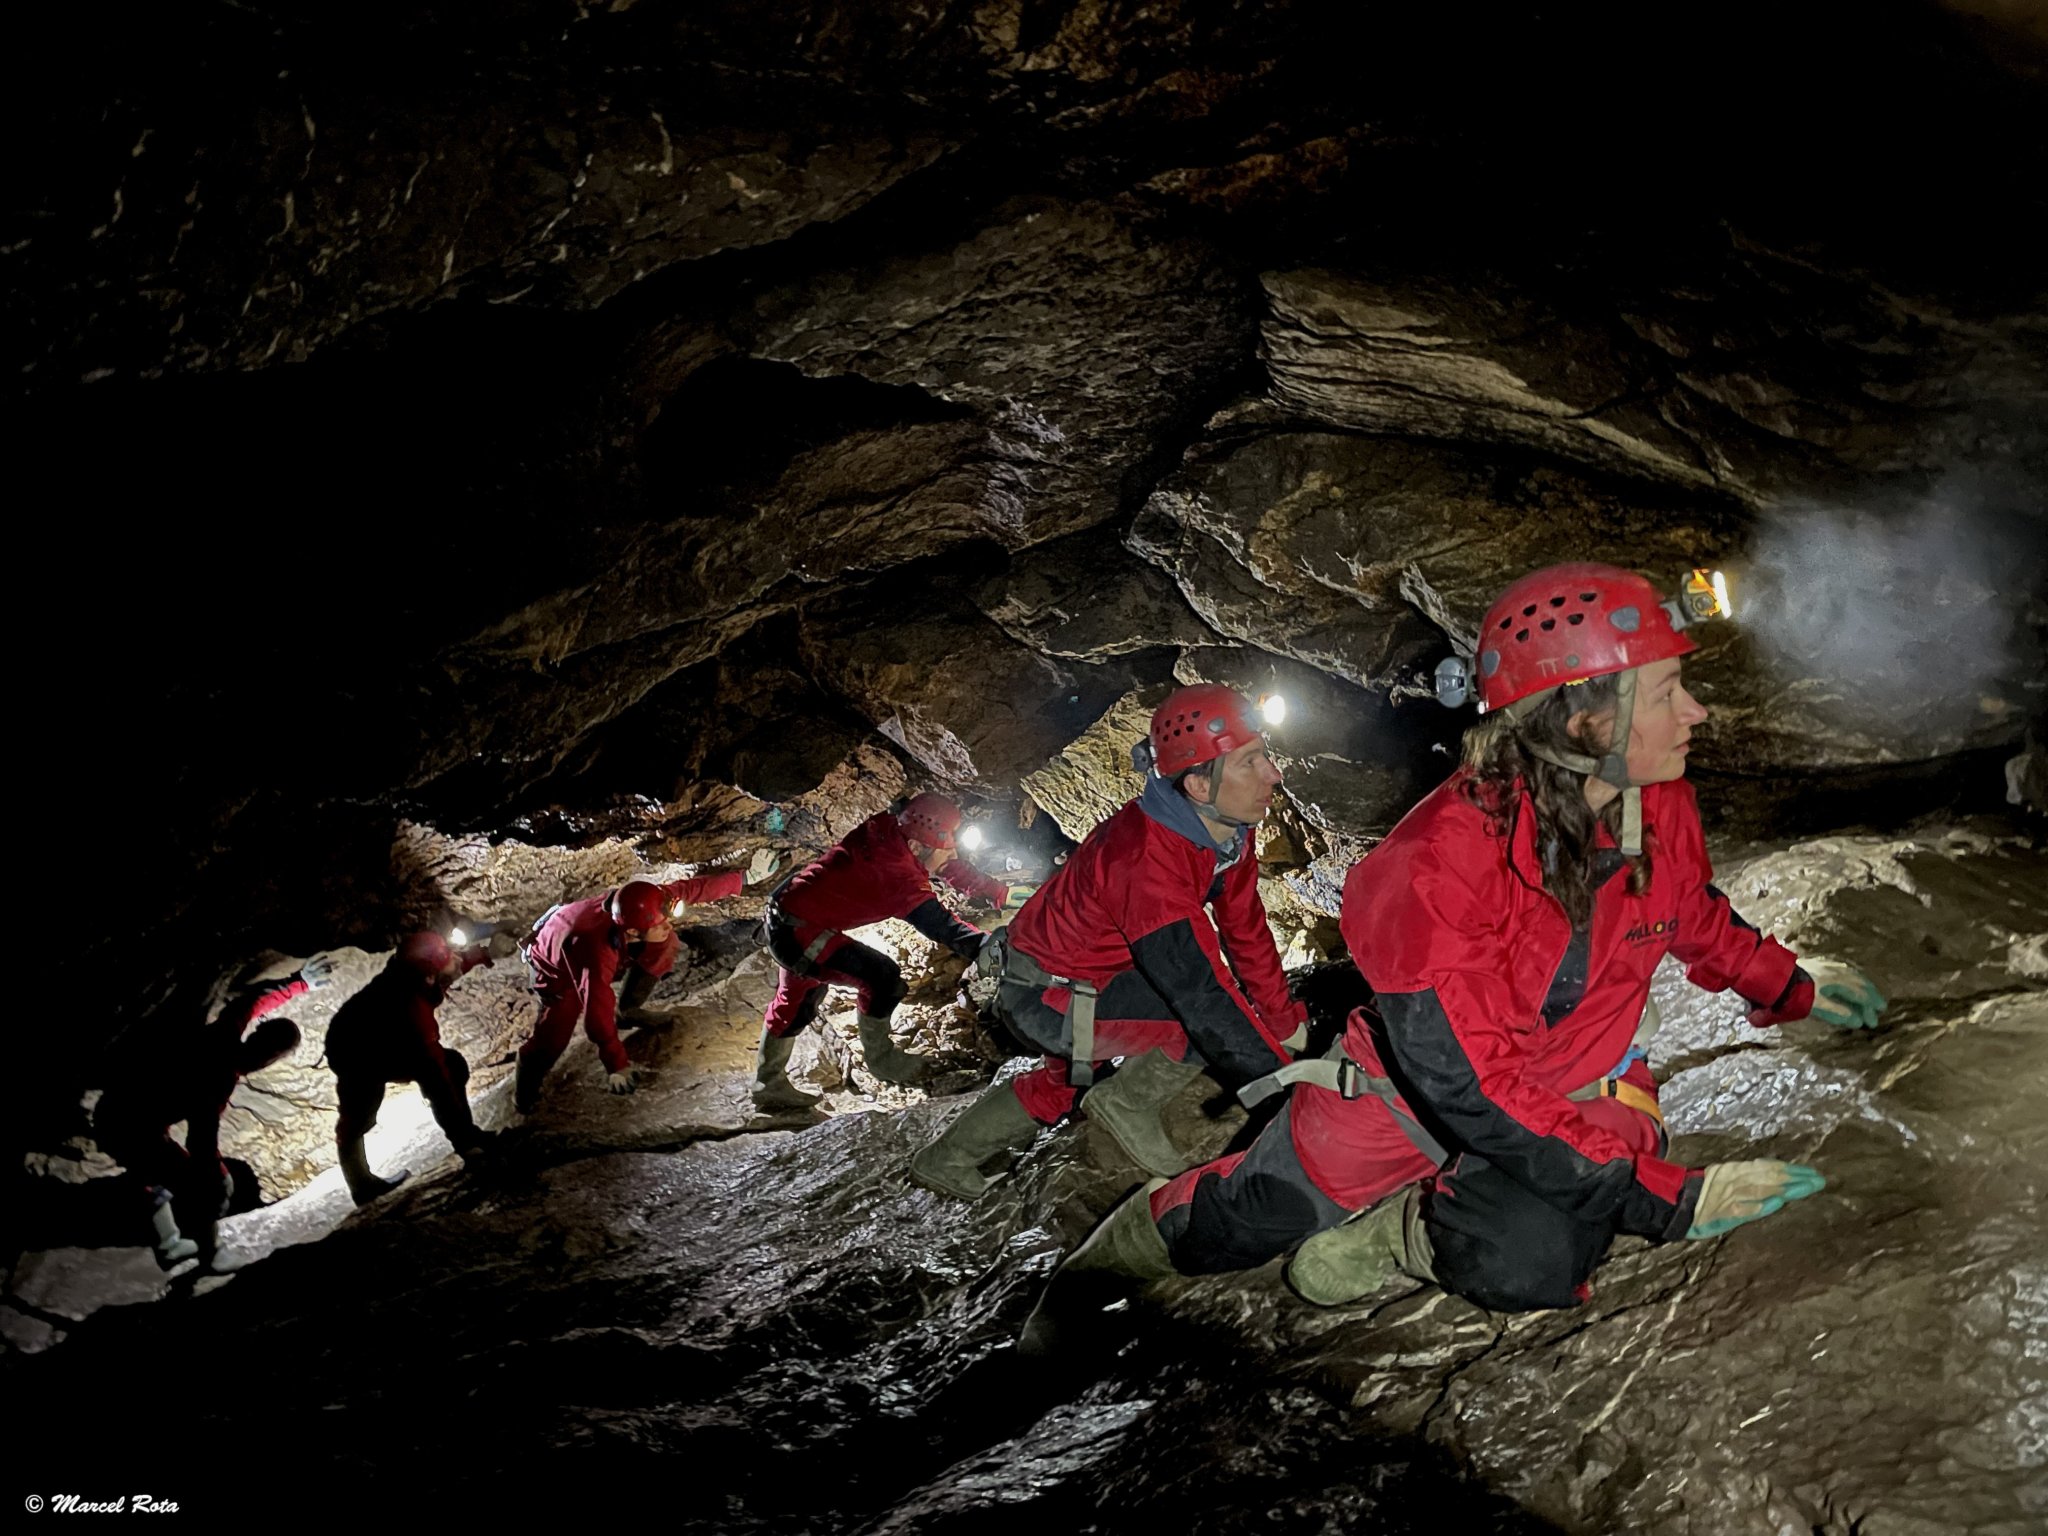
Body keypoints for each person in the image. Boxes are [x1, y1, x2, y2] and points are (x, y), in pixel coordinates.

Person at [1018, 562, 1886, 1353]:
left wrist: (1786, 985)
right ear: (1584, 721)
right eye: (1667, 693)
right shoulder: (1435, 865)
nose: (1695, 711)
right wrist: (1673, 1200)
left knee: (1528, 1262)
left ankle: (1404, 1236)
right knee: (1259, 1214)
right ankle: (1096, 1273)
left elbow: (1689, 910)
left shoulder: (1657, 805)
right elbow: (1470, 1082)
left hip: (1580, 1077)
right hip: (1416, 1093)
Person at [911, 685, 1306, 1199]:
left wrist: (1282, 1021)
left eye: (1265, 756)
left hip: (1073, 973)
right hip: (1048, 994)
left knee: (1065, 1082)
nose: (1273, 774)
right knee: (1192, 1031)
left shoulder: (1223, 833)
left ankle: (946, 1160)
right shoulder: (1146, 861)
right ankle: (1125, 1106)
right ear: (1200, 786)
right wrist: (1287, 1091)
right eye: (1251, 762)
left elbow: (1245, 925)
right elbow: (1201, 995)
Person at [752, 794, 1008, 1111]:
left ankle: (766, 1086)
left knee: (794, 999)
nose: (953, 852)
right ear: (916, 847)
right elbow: (944, 928)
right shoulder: (896, 876)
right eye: (947, 847)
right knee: (881, 979)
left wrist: (998, 892)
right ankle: (882, 1061)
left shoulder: (887, 828)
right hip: (798, 932)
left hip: (790, 905)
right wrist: (996, 947)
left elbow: (941, 863)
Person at [93, 957, 334, 1267]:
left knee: (150, 1168)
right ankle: (211, 1256)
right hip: (126, 1123)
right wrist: (218, 1176)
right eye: (272, 1056)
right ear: (268, 1059)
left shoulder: (225, 1034)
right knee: (208, 1186)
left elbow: (251, 1003)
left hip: (120, 1109)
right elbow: (201, 1142)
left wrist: (300, 982)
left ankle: (169, 1247)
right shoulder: (220, 1074)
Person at [518, 856, 777, 1113]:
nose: (668, 924)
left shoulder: (642, 901)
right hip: (555, 968)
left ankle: (628, 1011)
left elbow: (691, 889)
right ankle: (524, 1094)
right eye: (660, 922)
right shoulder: (596, 953)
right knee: (555, 1033)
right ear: (632, 933)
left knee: (666, 942)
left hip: (590, 930)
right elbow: (596, 1011)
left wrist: (745, 878)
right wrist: (616, 1065)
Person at [325, 931, 495, 1204]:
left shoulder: (411, 973)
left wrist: (482, 954)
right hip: (353, 1051)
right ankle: (361, 1184)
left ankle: (469, 1134)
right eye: (447, 956)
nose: (454, 956)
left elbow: (447, 970)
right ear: (429, 973)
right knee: (361, 1112)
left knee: (453, 1065)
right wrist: (465, 1147)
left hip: (378, 1037)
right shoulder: (411, 1009)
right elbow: (436, 1078)